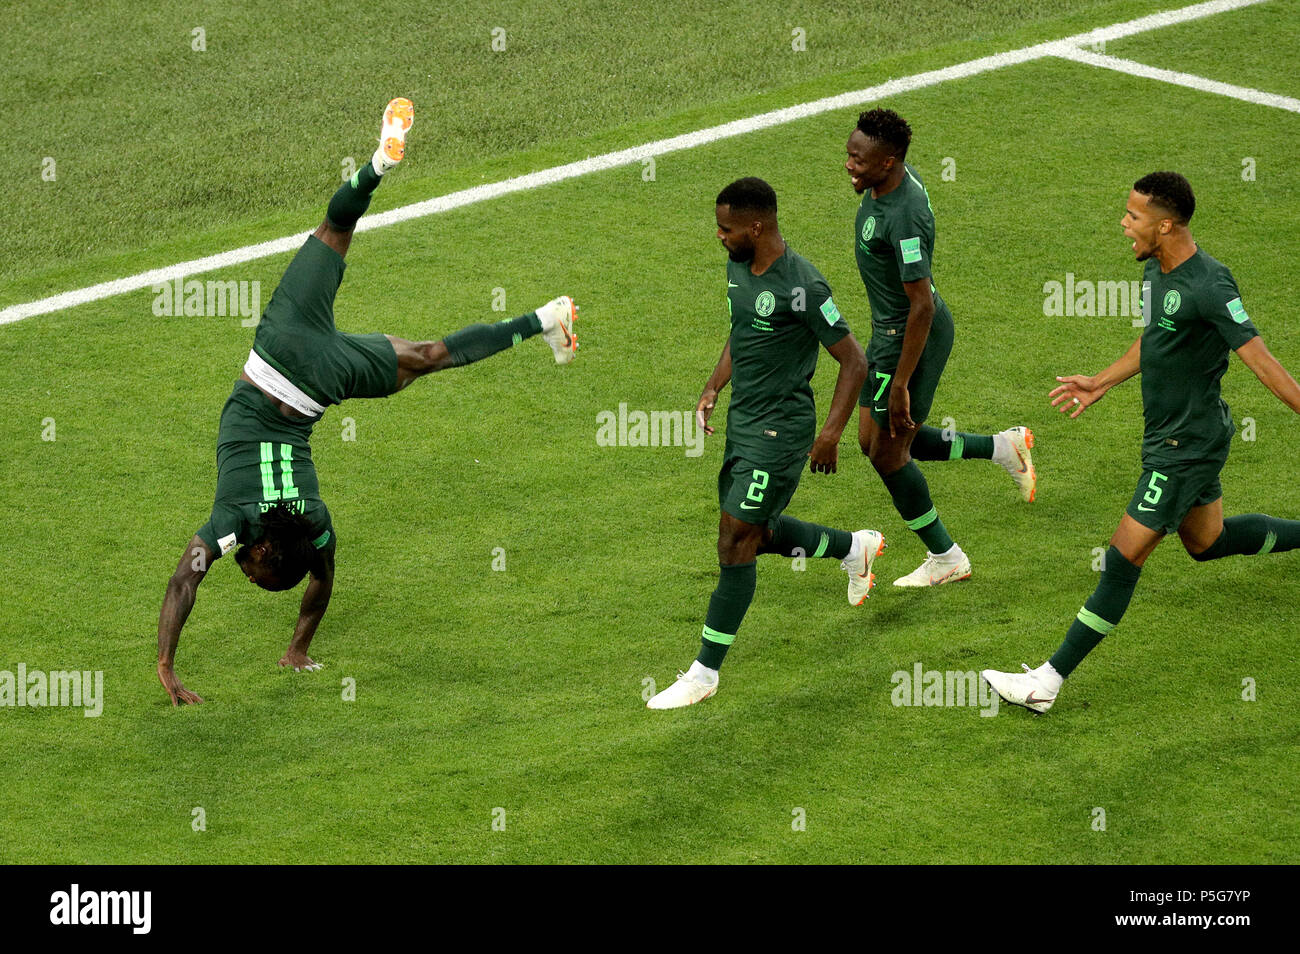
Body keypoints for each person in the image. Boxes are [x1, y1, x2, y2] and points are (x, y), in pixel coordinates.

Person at [156, 98, 579, 705]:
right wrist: (191, 661)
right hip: (283, 348)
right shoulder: (233, 526)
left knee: (428, 355)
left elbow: (318, 577)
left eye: (251, 574)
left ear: (271, 548)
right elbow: (186, 584)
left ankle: (540, 314)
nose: (245, 575)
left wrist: (190, 665)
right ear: (265, 546)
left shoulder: (310, 522)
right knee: (339, 236)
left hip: (315, 379)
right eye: (255, 575)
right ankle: (385, 165)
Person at [982, 171, 1300, 713]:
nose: (1124, 225)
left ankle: (1047, 682)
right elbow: (1156, 340)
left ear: (1166, 224)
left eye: (1133, 217)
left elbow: (1262, 363)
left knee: (1122, 556)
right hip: (1175, 439)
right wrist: (1101, 381)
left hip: (1185, 446)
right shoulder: (1158, 270)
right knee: (1207, 542)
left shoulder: (1210, 285)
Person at [647, 177, 882, 710]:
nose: (719, 237)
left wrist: (830, 434)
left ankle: (705, 673)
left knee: (734, 541)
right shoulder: (737, 267)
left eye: (726, 229)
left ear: (757, 227)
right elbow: (742, 331)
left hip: (781, 432)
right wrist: (712, 386)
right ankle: (854, 548)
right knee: (753, 533)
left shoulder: (804, 286)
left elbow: (854, 360)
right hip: (743, 422)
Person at [845, 108, 1036, 589]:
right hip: (888, 332)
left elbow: (922, 306)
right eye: (849, 154)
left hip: (912, 336)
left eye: (859, 159)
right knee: (873, 441)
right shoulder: (889, 182)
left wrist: (902, 381)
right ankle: (1002, 448)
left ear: (888, 163)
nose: (850, 165)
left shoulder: (904, 217)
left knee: (889, 454)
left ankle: (947, 557)